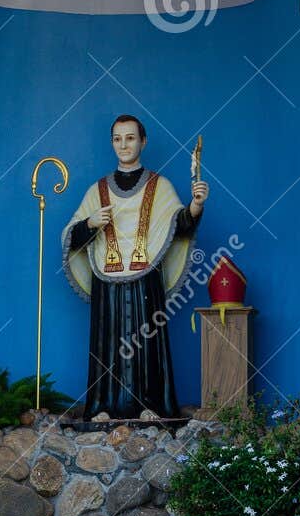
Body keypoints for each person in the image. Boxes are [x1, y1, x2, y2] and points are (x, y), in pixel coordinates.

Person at [61, 114, 208, 419]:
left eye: (130, 138)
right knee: (107, 342)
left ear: (143, 141)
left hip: (145, 279)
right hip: (108, 278)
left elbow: (179, 225)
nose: (123, 144)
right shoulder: (97, 190)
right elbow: (71, 237)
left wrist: (196, 205)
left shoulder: (160, 186)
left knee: (147, 341)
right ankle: (103, 405)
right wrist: (90, 223)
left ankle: (149, 406)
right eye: (117, 138)